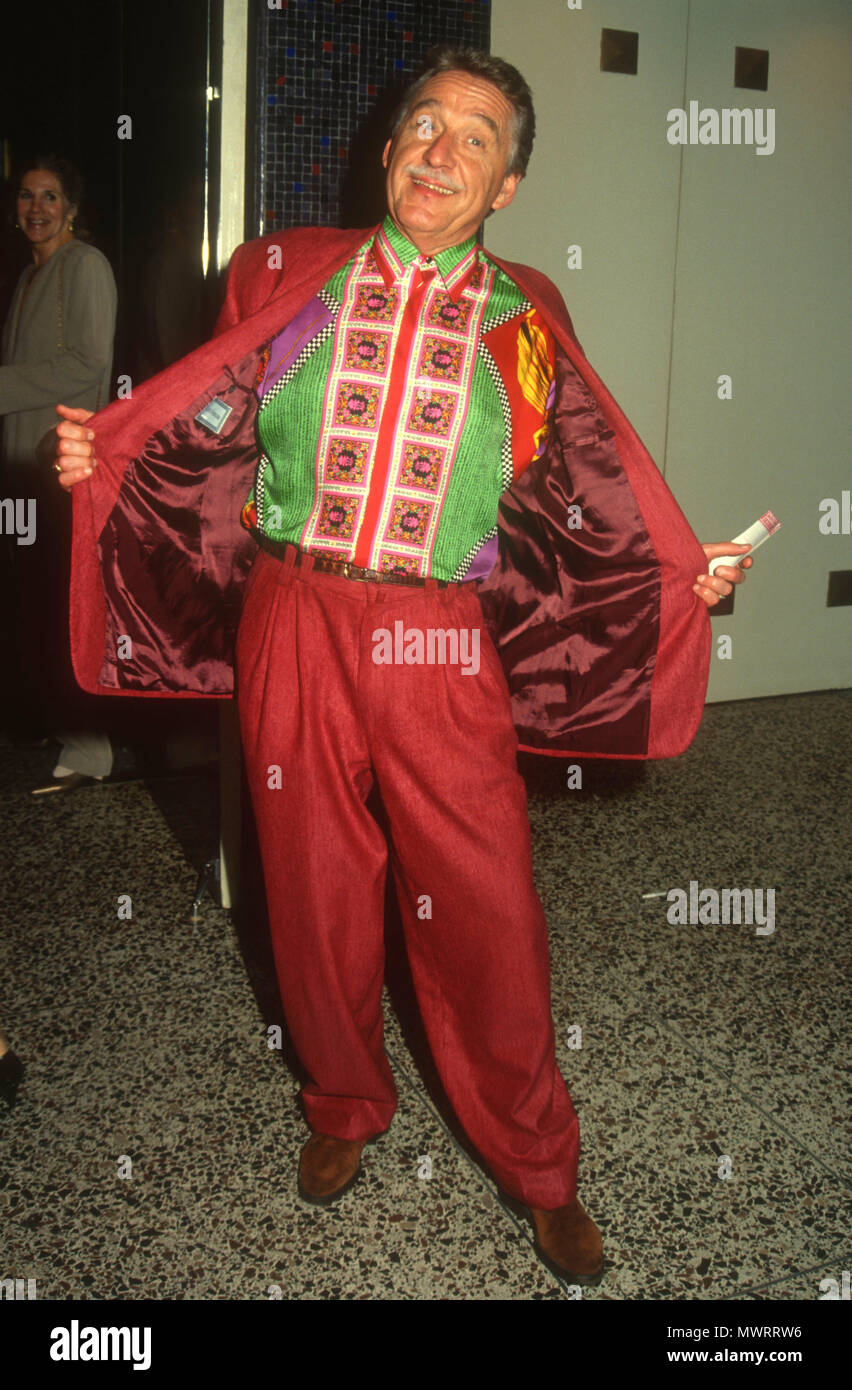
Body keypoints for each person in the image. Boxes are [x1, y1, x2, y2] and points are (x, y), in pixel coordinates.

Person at [54, 48, 752, 1286]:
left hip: (438, 632)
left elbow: (576, 488)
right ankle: (342, 1102)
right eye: (423, 124)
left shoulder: (528, 312)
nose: (440, 148)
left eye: (475, 138)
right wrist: (102, 455)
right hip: (293, 608)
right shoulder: (281, 273)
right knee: (309, 882)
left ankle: (540, 1164)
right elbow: (205, 425)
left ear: (509, 184)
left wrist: (673, 573)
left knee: (484, 901)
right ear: (387, 150)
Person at [0, 155, 117, 793]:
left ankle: (92, 752)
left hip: (65, 467)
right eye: (25, 196)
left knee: (69, 605)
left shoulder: (83, 266)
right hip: (26, 466)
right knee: (38, 599)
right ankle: (60, 722)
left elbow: (84, 366)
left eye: (50, 197)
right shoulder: (29, 275)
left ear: (72, 208)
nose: (36, 209)